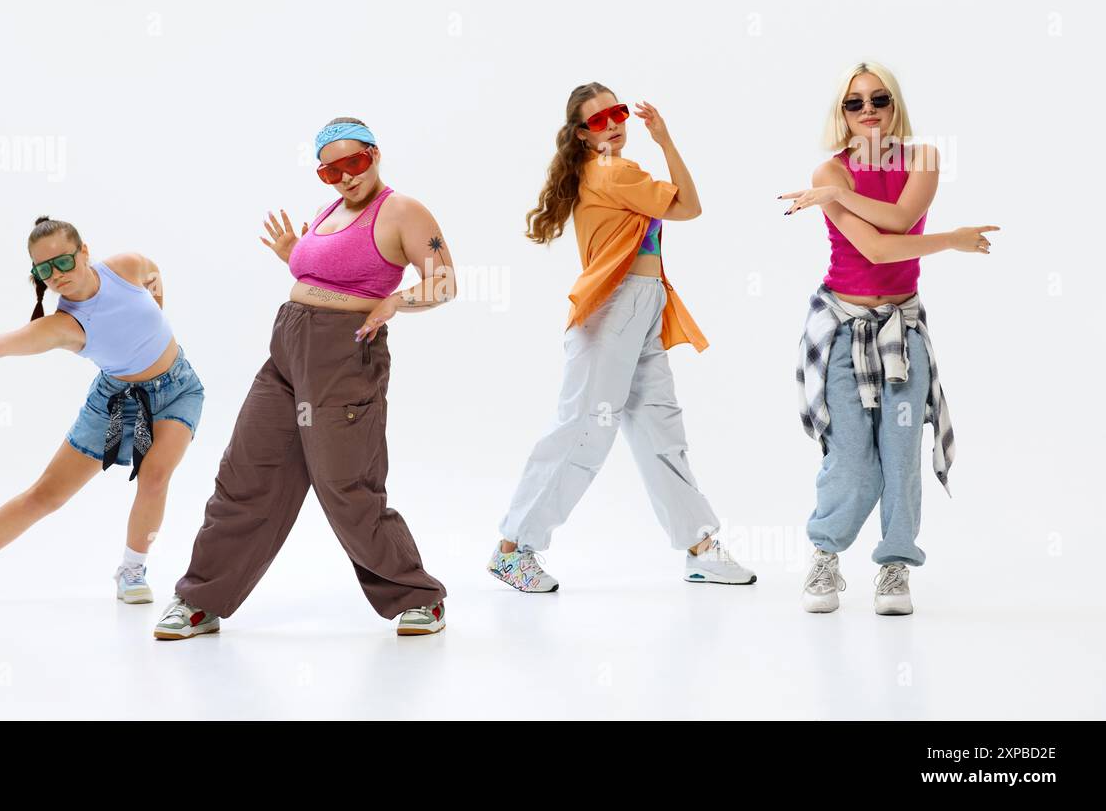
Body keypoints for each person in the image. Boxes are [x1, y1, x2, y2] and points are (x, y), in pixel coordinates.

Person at [154, 118, 453, 640]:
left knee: (346, 484)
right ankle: (200, 601)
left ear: (374, 154)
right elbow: (320, 276)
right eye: (330, 171)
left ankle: (418, 598)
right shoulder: (329, 211)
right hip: (287, 353)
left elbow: (444, 282)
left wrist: (397, 301)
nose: (344, 178)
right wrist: (292, 253)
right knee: (244, 474)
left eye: (353, 164)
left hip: (345, 355)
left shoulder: (402, 210)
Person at [490, 82, 757, 593]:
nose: (612, 123)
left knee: (660, 426)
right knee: (582, 427)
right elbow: (690, 206)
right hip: (616, 307)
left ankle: (699, 547)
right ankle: (513, 548)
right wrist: (666, 142)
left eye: (617, 112)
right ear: (582, 134)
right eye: (598, 120)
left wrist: (661, 141)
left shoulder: (604, 171)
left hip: (643, 300)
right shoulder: (614, 170)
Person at [0, 215, 204, 608]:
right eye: (43, 269)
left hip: (178, 388)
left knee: (155, 474)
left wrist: (157, 309)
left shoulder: (126, 266)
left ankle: (132, 569)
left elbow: (153, 272)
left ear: (84, 252)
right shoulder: (63, 326)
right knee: (44, 496)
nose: (56, 274)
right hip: (115, 402)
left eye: (63, 261)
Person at [779, 61, 998, 614]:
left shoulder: (922, 159)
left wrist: (835, 199)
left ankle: (895, 567)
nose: (868, 110)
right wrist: (951, 240)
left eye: (879, 99)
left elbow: (900, 221)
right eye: (855, 103)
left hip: (903, 328)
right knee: (851, 457)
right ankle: (826, 556)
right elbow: (875, 250)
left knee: (901, 453)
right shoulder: (829, 172)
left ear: (895, 104)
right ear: (843, 113)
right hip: (842, 328)